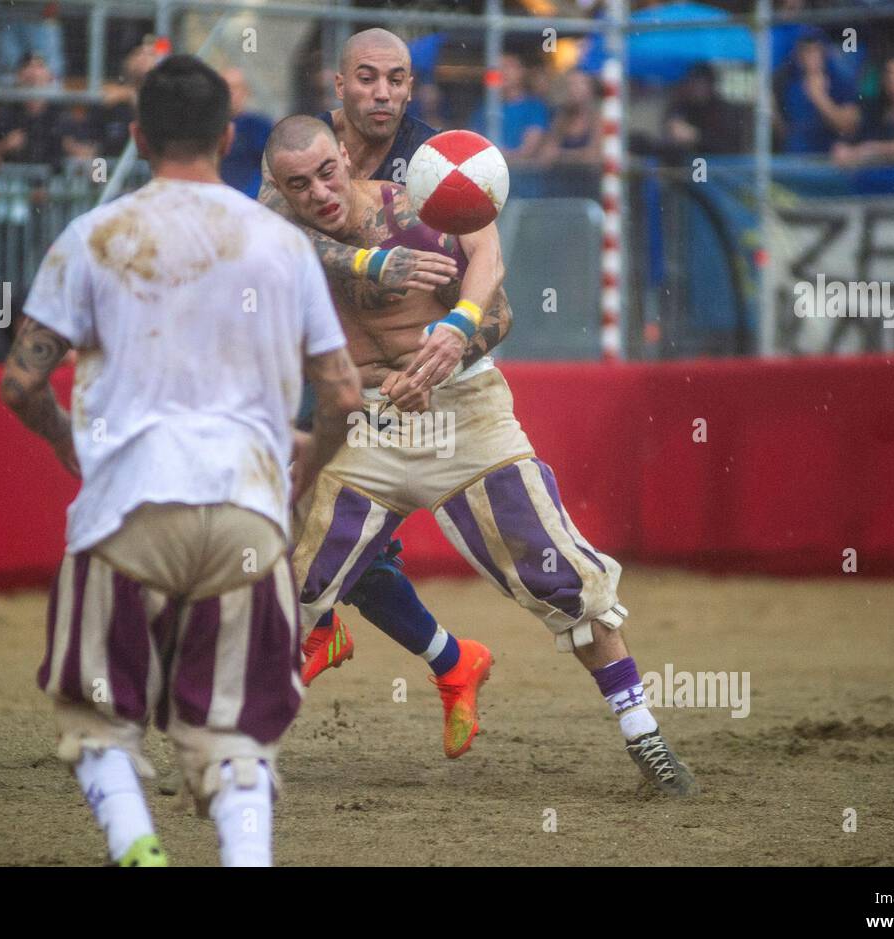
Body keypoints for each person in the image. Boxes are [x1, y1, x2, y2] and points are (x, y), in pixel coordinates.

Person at [266, 115, 699, 796]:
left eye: (327, 171)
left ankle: (647, 741)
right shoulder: (277, 238)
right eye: (299, 183)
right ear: (278, 188)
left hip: (464, 412)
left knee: (569, 581)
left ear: (345, 155)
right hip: (362, 424)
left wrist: (456, 334)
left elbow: (493, 289)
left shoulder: (412, 209)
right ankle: (237, 754)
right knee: (285, 587)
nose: (320, 191)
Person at [0, 55, 362, 867]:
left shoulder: (95, 235)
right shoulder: (280, 243)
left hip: (129, 507)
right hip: (246, 516)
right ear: (230, 137)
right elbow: (341, 392)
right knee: (236, 736)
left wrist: (74, 448)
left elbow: (22, 384)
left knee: (98, 719)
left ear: (137, 136)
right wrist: (301, 475)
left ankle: (136, 847)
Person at [260, 28, 503, 760]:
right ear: (339, 86)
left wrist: (444, 353)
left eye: (397, 79)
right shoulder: (303, 150)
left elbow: (498, 305)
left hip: (401, 391)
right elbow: (270, 238)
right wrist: (371, 260)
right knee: (305, 529)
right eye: (367, 78)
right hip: (317, 365)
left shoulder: (437, 166)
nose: (383, 93)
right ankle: (447, 660)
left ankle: (435, 656)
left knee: (339, 544)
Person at [0, 53, 89, 168]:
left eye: (39, 66)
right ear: (19, 76)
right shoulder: (6, 113)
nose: (33, 72)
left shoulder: (63, 114)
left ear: (50, 77)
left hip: (56, 181)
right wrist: (4, 146)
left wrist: (75, 149)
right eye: (28, 66)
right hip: (16, 180)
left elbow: (94, 155)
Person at [833, 56, 894, 166]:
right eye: (890, 75)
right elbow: (850, 144)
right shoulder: (873, 108)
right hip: (875, 173)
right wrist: (847, 150)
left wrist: (873, 149)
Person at [774, 31, 860, 154]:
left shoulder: (840, 83)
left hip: (826, 159)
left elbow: (848, 127)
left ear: (824, 53)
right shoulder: (788, 83)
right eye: (805, 51)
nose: (810, 57)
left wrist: (819, 98)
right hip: (793, 158)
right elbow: (784, 130)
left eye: (815, 51)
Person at [471, 51, 552, 166]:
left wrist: (493, 156)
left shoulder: (535, 107)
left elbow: (528, 151)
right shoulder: (486, 107)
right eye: (499, 67)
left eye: (509, 66)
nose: (503, 72)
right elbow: (473, 147)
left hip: (524, 178)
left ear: (522, 71)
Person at [220, 67, 274, 198]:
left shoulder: (261, 126)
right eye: (225, 87)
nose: (230, 93)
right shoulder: (208, 127)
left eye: (235, 87)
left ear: (246, 91)